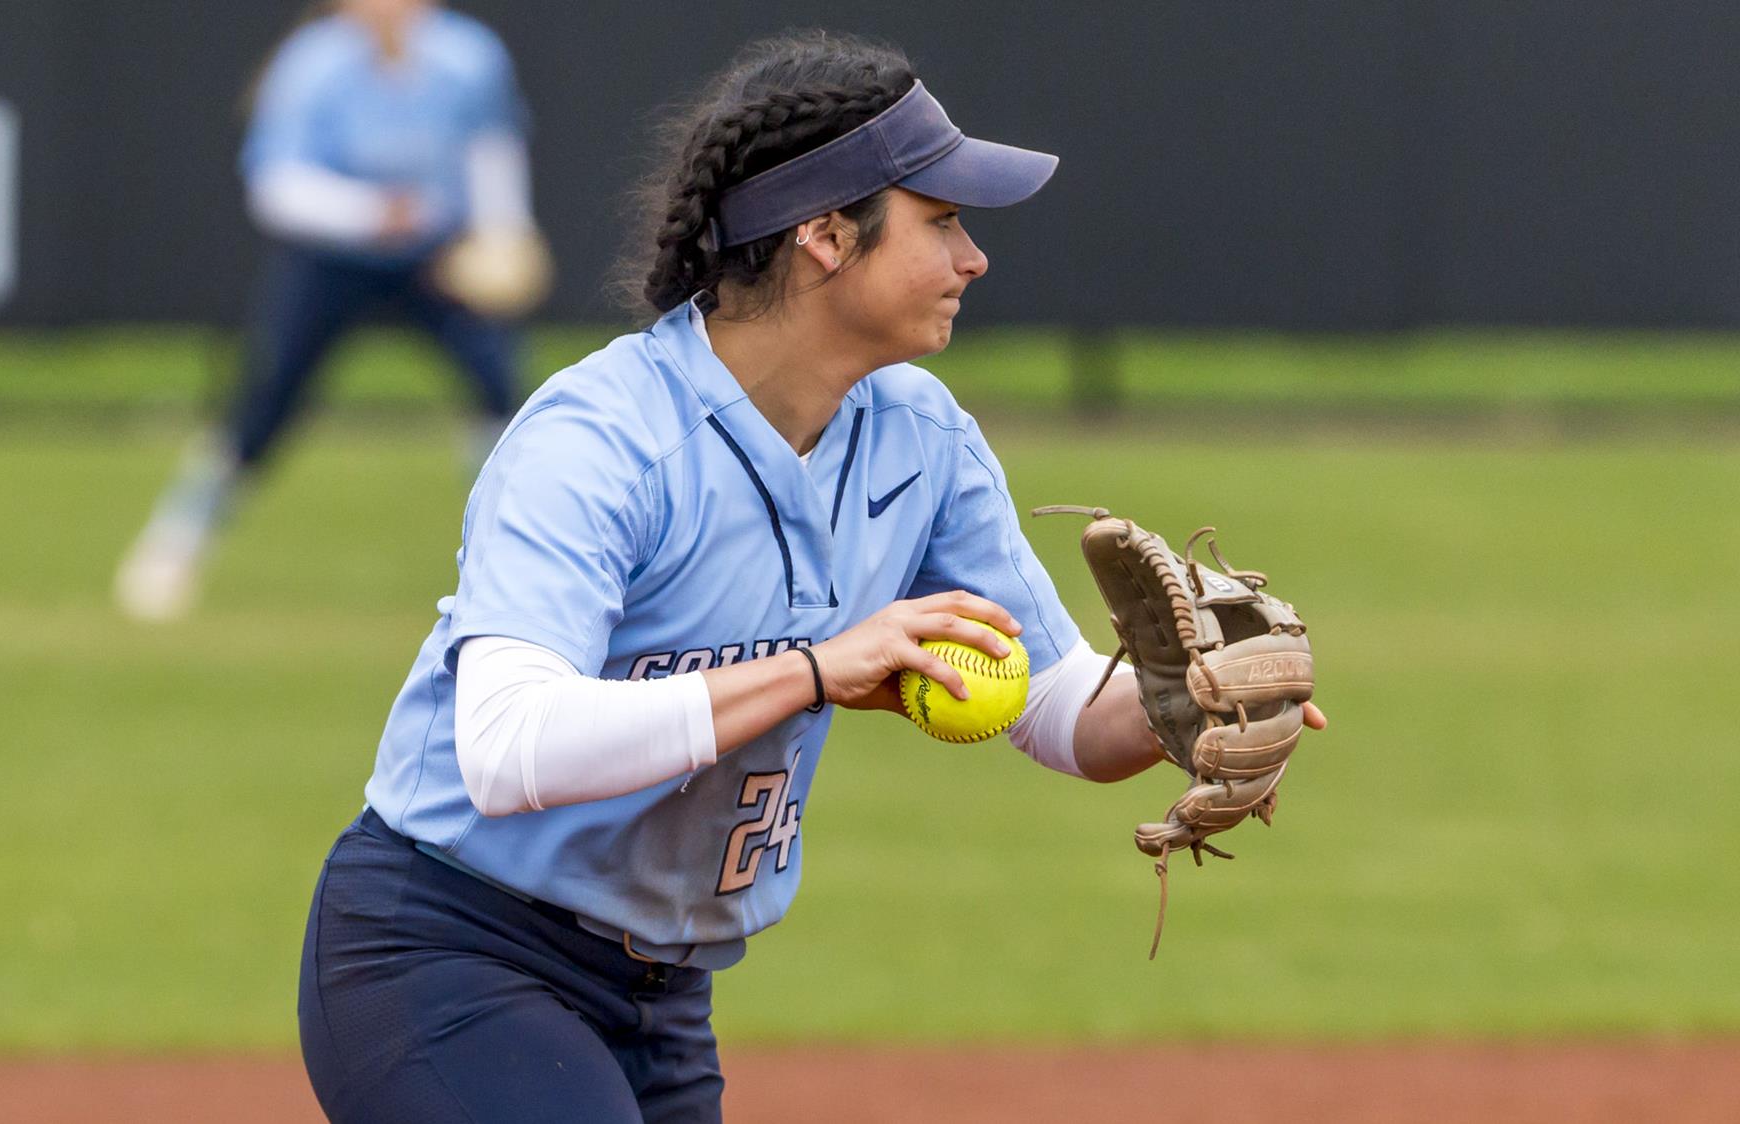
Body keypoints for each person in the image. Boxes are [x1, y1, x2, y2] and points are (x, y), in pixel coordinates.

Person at [297, 31, 1325, 1123]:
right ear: (826, 236)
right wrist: (811, 669)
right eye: (939, 222)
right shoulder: (600, 440)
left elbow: (1062, 708)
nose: (971, 258)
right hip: (450, 948)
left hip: (661, 991)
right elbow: (506, 748)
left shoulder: (916, 436)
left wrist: (1187, 699)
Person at [114, 0, 541, 622]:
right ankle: (174, 544)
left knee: (501, 397)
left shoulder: (469, 56)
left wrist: (505, 234)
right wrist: (370, 216)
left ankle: (520, 565)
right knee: (266, 402)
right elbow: (275, 184)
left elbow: (491, 150)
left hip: (439, 258)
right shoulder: (312, 64)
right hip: (332, 259)